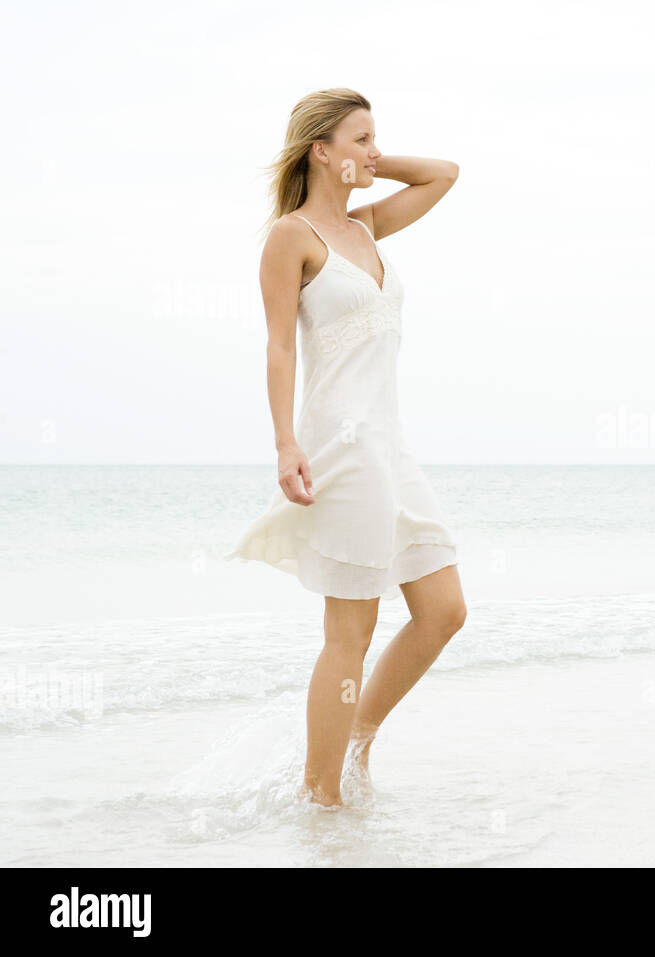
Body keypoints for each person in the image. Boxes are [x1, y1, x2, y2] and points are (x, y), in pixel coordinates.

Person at [225, 88, 467, 807]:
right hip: (342, 445)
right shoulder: (291, 237)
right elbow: (277, 347)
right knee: (351, 630)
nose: (372, 149)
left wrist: (374, 159)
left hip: (391, 447)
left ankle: (353, 742)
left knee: (444, 609)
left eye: (375, 137)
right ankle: (320, 797)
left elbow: (444, 174)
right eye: (358, 138)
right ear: (319, 150)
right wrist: (284, 442)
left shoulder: (365, 230)